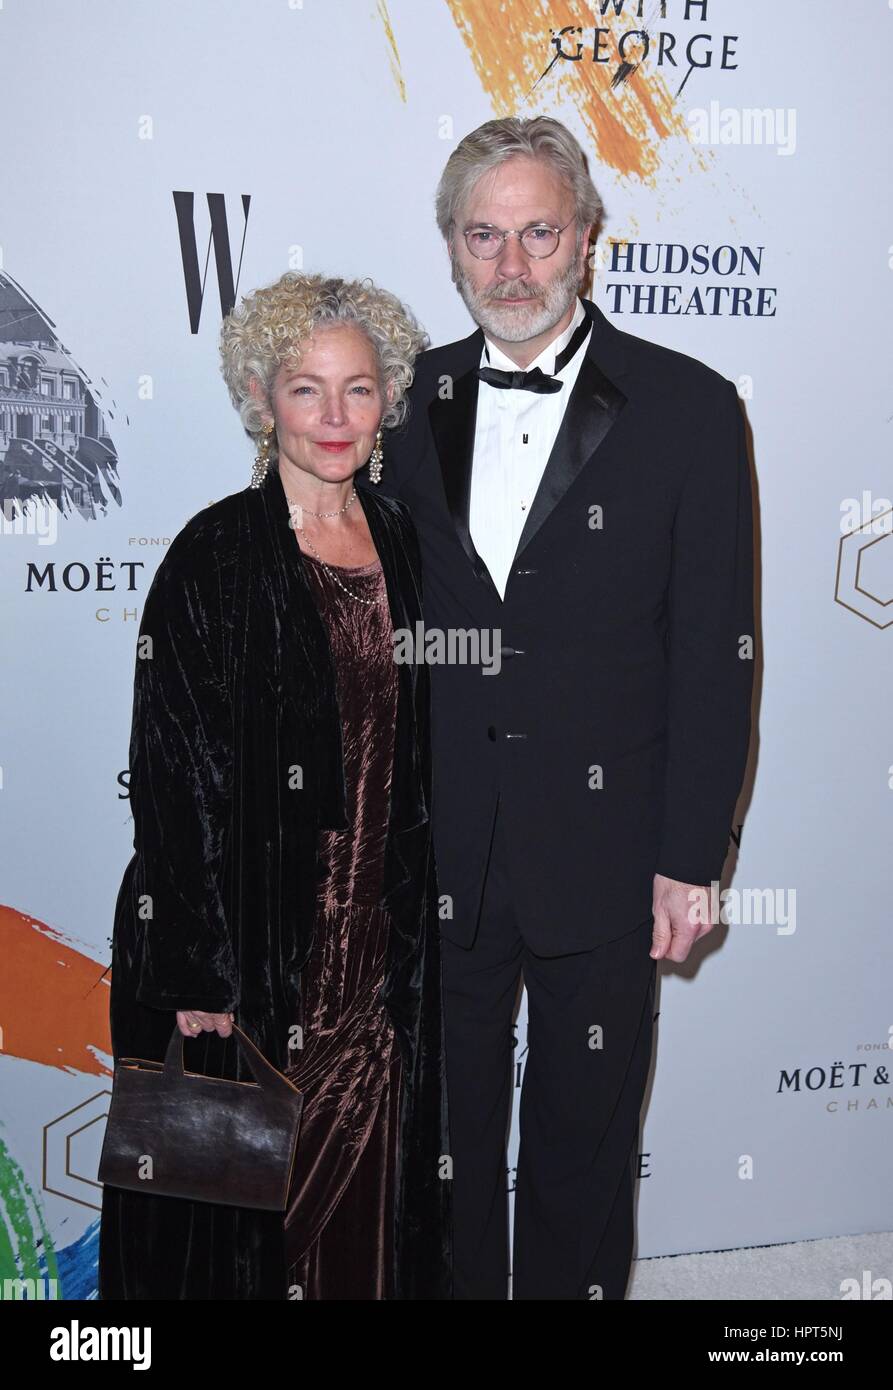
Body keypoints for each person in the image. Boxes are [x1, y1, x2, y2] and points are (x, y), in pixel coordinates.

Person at [373, 116, 755, 1299]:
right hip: (439, 849)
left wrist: (689, 859)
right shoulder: (402, 402)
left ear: (586, 239)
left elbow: (715, 651)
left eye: (538, 231)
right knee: (439, 1155)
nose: (512, 265)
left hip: (608, 846)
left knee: (581, 1155)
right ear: (448, 248)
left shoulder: (687, 406)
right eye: (483, 236)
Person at [99, 271, 451, 1300]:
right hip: (249, 949)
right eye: (306, 389)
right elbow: (172, 769)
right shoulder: (214, 555)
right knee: (230, 1217)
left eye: (357, 388)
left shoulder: (413, 545)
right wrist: (196, 967)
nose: (334, 417)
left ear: (386, 399)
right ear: (260, 397)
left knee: (369, 1204)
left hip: (379, 957)